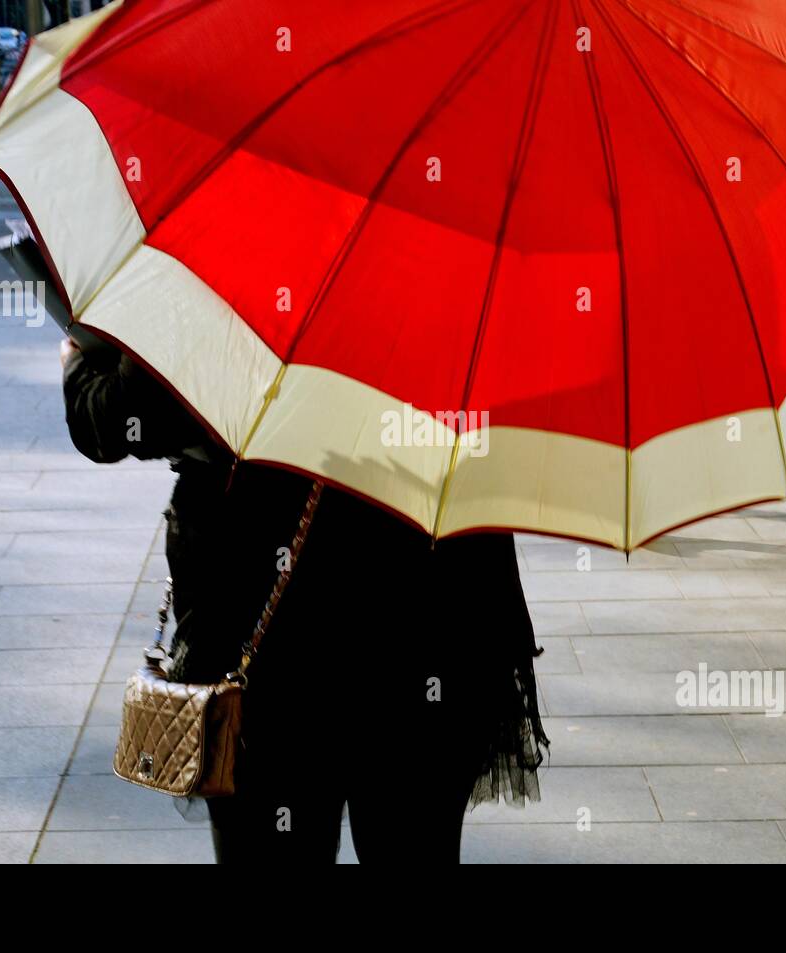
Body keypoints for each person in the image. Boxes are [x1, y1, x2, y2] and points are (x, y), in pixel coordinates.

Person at [61, 338, 548, 863]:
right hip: (440, 608)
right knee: (414, 840)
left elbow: (126, 417)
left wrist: (78, 365)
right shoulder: (478, 273)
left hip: (274, 626)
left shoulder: (243, 261)